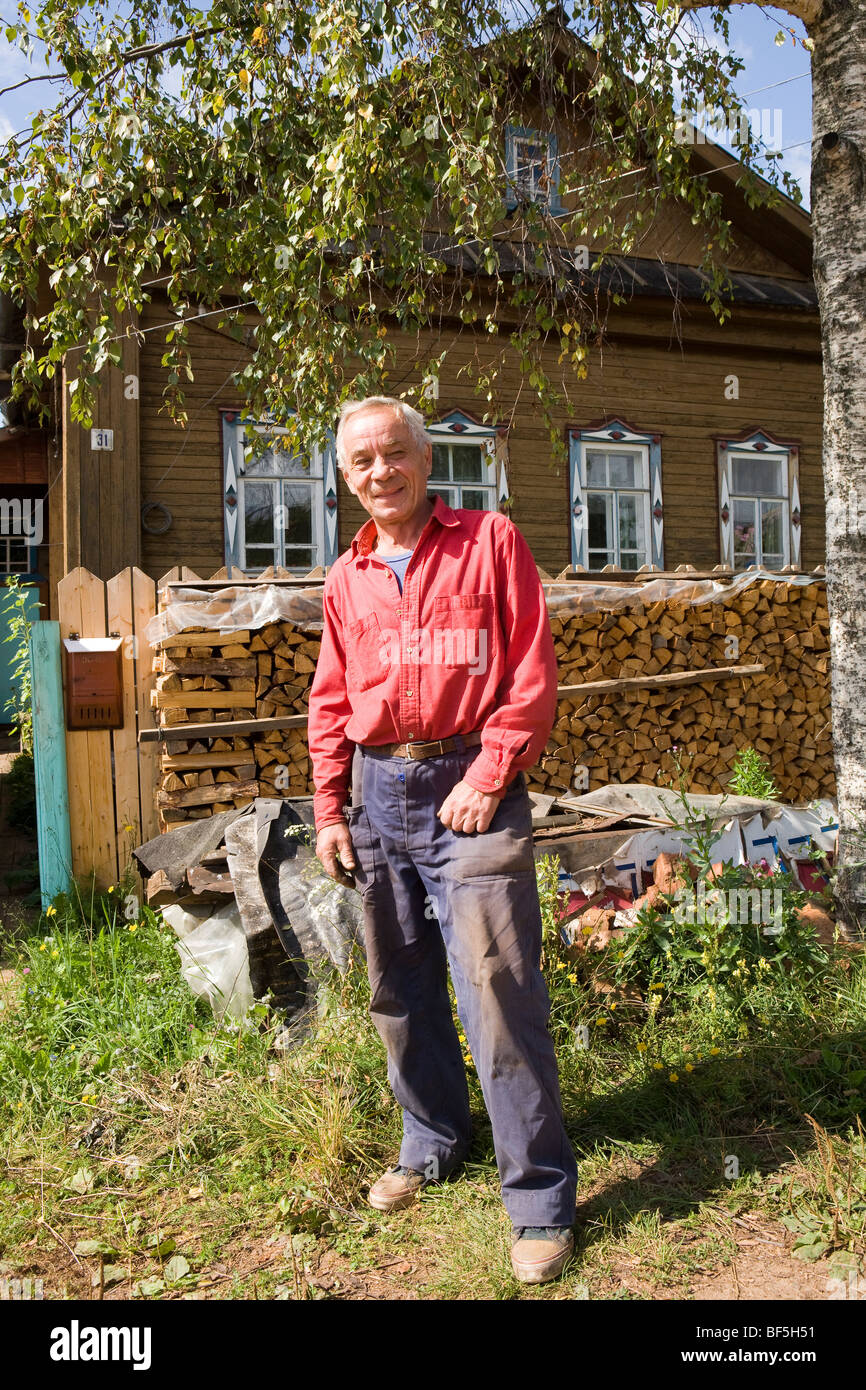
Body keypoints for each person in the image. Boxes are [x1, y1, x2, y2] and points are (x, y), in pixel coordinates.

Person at [307, 395, 578, 1283]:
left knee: (498, 989)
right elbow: (332, 702)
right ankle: (430, 1139)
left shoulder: (489, 541)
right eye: (362, 463)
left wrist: (489, 775)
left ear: (426, 460)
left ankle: (538, 1201)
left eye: (394, 455)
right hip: (379, 791)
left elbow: (531, 673)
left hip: (471, 789)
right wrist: (331, 808)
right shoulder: (346, 577)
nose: (380, 473)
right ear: (347, 478)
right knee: (400, 984)